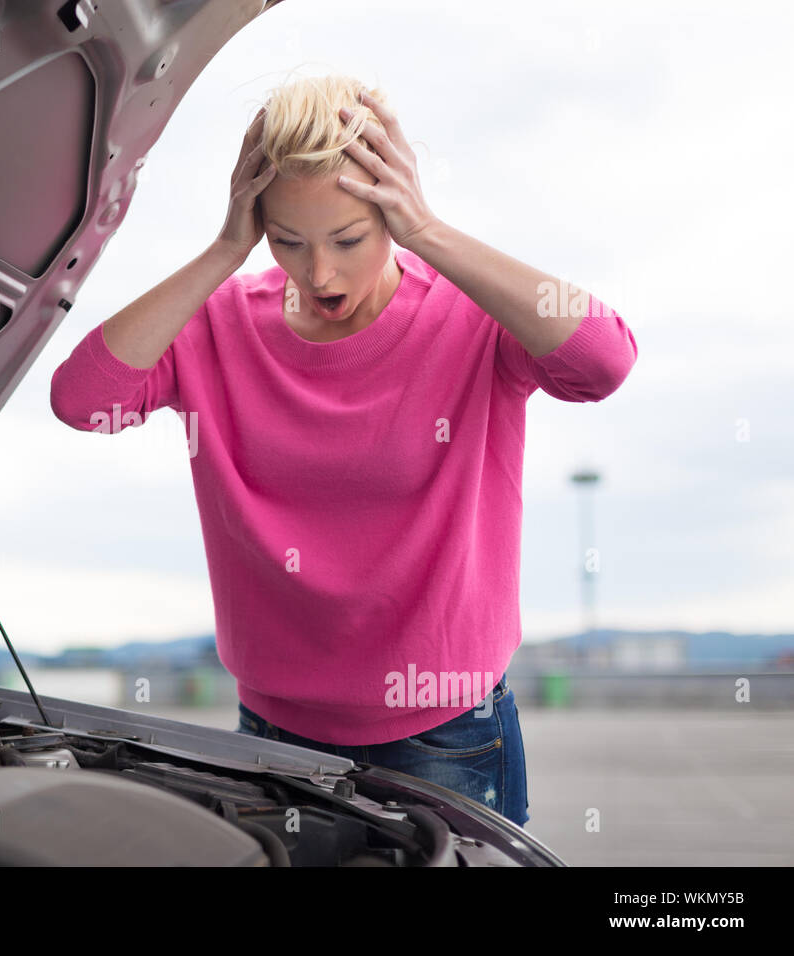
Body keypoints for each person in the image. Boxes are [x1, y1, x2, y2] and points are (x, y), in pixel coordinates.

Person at [49, 74, 638, 828]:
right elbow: (81, 401)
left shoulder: (472, 318)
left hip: (444, 740)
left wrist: (431, 233)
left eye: (349, 239)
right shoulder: (217, 324)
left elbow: (604, 364)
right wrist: (225, 251)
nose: (319, 273)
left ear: (394, 211)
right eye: (288, 241)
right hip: (272, 737)